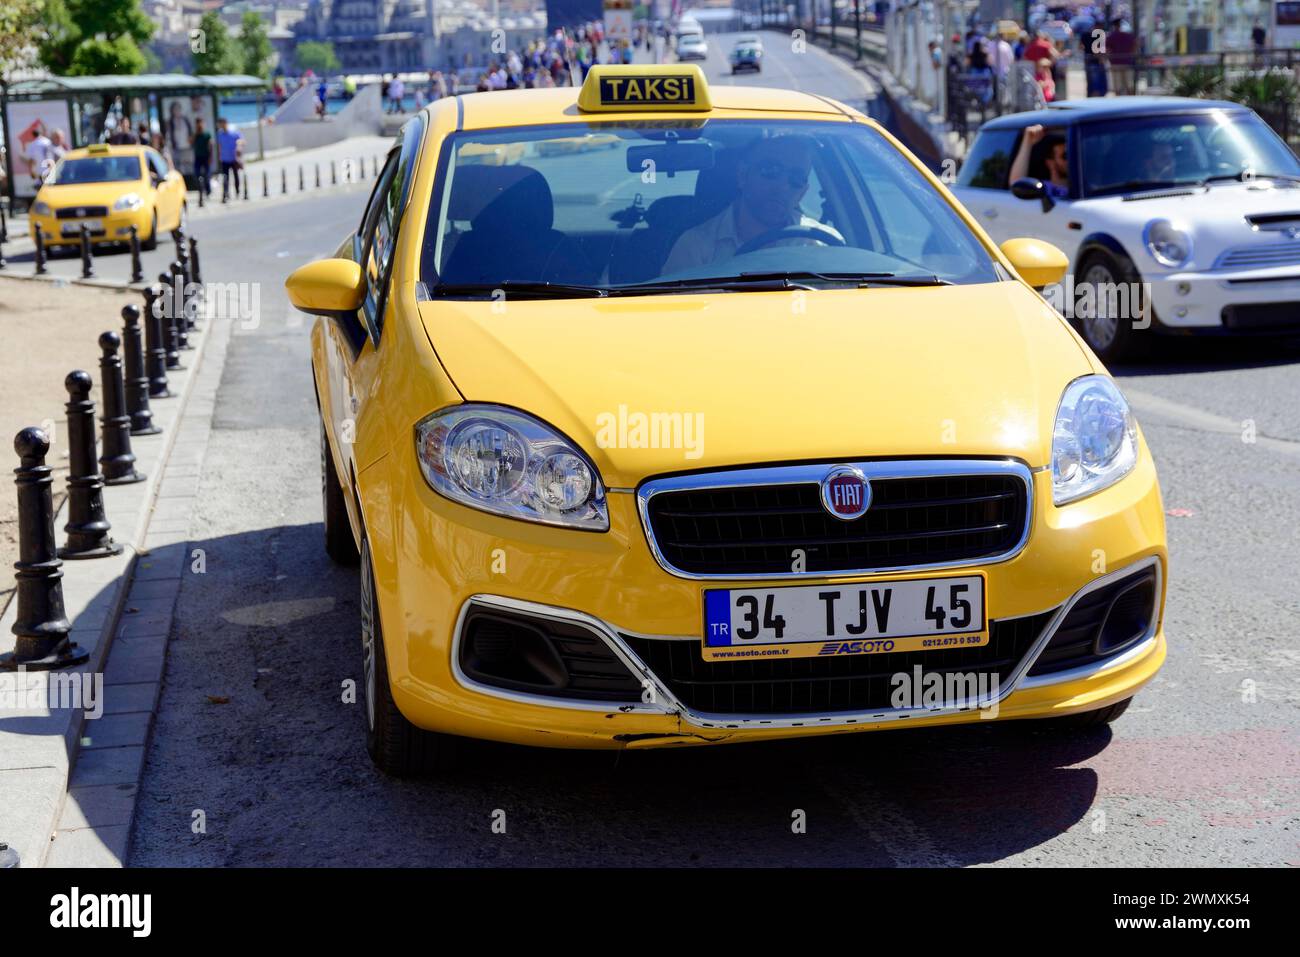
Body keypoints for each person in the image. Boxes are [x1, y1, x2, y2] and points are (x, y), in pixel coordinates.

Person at [662, 135, 842, 274]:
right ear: (742, 175)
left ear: (803, 192)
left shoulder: (820, 244)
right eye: (770, 171)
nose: (783, 186)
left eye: (796, 179)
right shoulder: (695, 246)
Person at [1009, 124, 1068, 197]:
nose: (1070, 159)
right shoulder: (1043, 188)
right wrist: (1028, 141)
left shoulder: (1082, 183)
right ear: (1050, 162)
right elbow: (1017, 184)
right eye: (1065, 156)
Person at [216, 116, 244, 202]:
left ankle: (237, 191)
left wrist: (239, 144)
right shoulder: (219, 134)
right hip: (225, 159)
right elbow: (219, 146)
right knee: (225, 177)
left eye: (221, 123)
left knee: (236, 176)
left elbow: (242, 140)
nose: (220, 125)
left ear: (225, 123)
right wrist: (219, 157)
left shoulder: (234, 131)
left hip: (234, 158)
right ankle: (226, 193)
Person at [192, 117, 212, 196]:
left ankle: (208, 190)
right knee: (197, 174)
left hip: (206, 157)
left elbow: (210, 146)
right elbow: (191, 141)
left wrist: (210, 157)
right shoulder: (195, 134)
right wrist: (196, 134)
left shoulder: (207, 134)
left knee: (207, 174)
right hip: (198, 157)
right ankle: (200, 189)